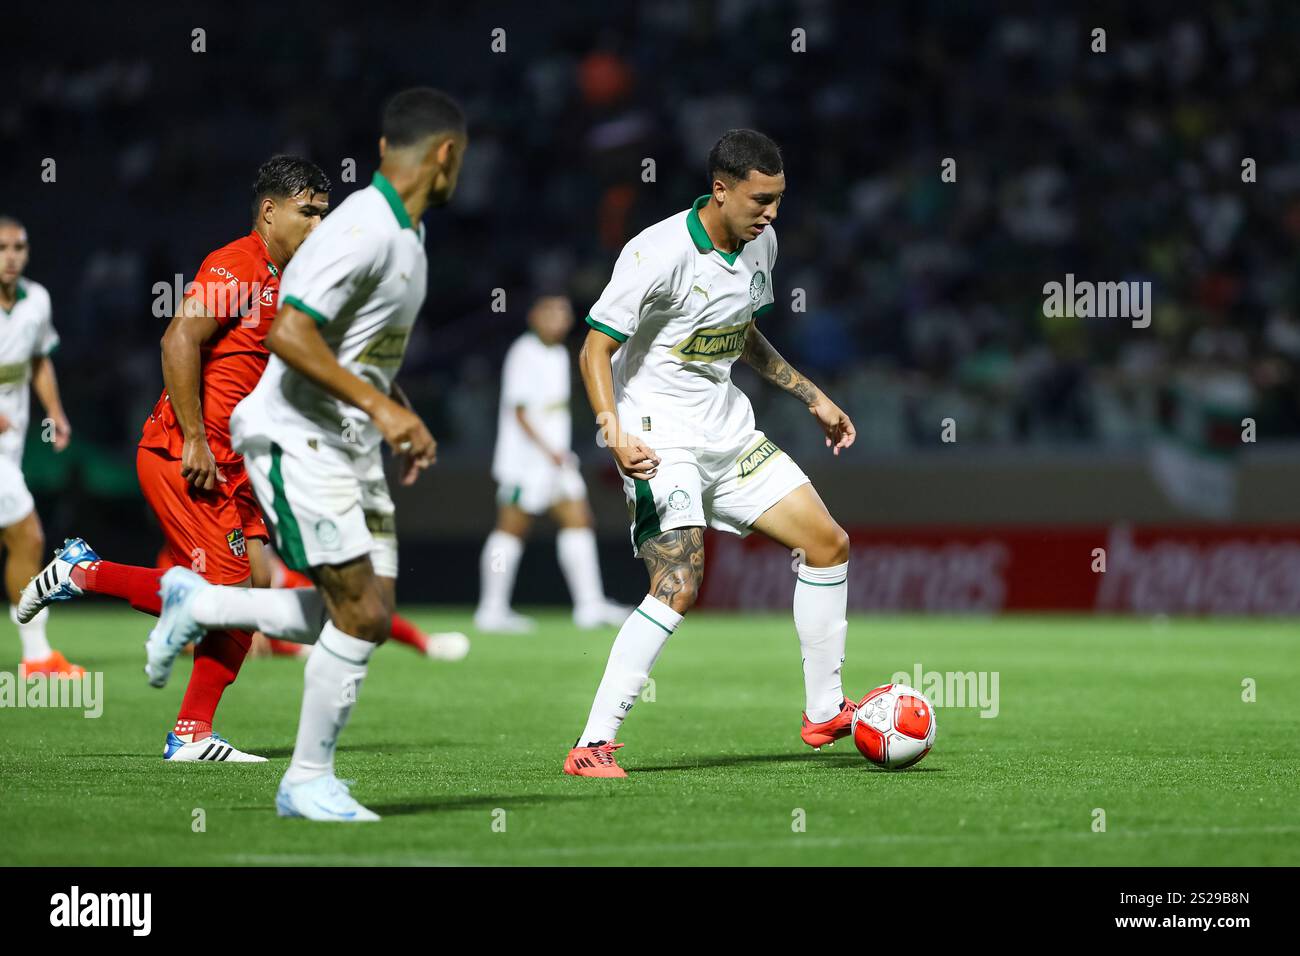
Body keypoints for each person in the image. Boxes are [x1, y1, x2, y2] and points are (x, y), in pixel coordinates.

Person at [142, 87, 467, 820]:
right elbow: (289, 335)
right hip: (295, 434)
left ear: (387, 151)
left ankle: (205, 601)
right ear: (447, 156)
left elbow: (358, 350)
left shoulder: (404, 235)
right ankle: (306, 780)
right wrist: (383, 409)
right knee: (355, 610)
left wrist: (398, 414)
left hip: (346, 438)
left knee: (370, 614)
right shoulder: (360, 232)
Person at [564, 130, 858, 778]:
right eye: (760, 199)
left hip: (728, 433)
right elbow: (594, 349)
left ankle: (825, 709)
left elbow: (741, 330)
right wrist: (612, 430)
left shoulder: (763, 243)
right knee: (678, 585)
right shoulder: (657, 253)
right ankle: (592, 744)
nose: (771, 213)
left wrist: (812, 396)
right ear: (720, 190)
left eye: (778, 200)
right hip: (657, 437)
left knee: (828, 544)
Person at [475, 294, 629, 632]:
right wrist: (549, 451)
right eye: (551, 312)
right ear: (534, 316)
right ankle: (491, 609)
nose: (559, 319)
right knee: (511, 528)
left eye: (564, 312)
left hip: (555, 461)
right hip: (525, 461)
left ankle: (589, 606)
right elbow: (520, 411)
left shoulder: (559, 353)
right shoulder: (523, 352)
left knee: (579, 520)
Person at [0, 216, 82, 679]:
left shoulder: (37, 301)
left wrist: (55, 411)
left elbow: (38, 360)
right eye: (2, 247)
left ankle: (35, 656)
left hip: (10, 447)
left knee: (16, 540)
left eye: (19, 247)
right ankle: (36, 656)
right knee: (29, 536)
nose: (10, 256)